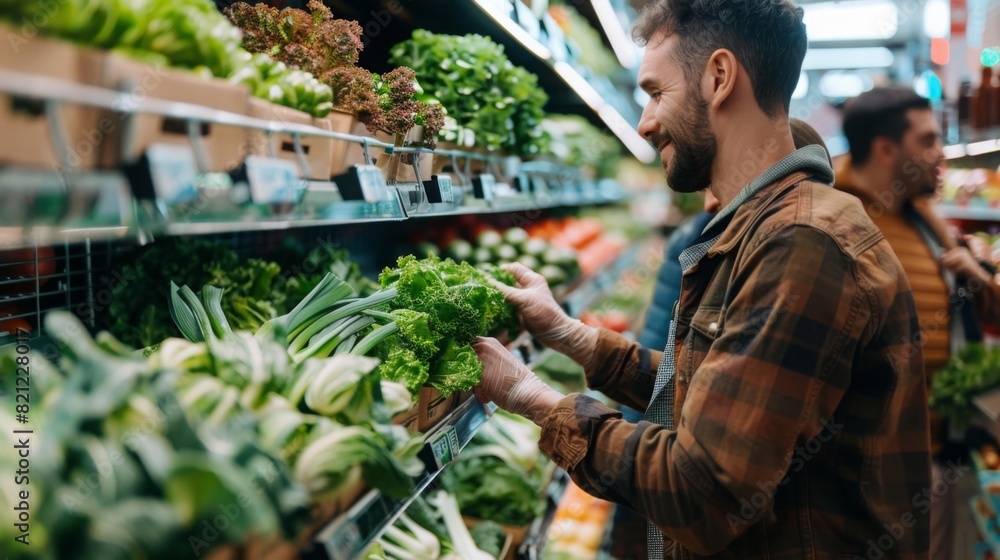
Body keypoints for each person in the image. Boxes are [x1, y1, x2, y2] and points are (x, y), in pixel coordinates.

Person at [471, 1, 931, 558]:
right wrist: (575, 339)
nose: (643, 122)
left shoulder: (802, 243)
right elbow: (717, 402)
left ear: (718, 77)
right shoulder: (767, 225)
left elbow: (703, 490)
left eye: (656, 92)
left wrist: (532, 398)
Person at [612, 116, 834, 559]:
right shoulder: (713, 245)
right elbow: (681, 376)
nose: (714, 204)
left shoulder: (791, 253)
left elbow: (723, 459)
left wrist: (544, 404)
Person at [837, 86, 1000, 559]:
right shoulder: (841, 221)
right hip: (881, 467)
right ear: (887, 150)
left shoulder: (926, 217)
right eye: (928, 140)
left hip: (946, 446)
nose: (940, 153)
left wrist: (980, 278)